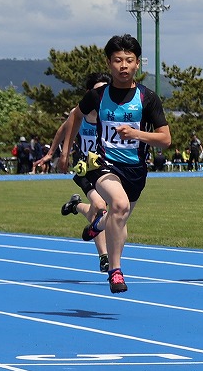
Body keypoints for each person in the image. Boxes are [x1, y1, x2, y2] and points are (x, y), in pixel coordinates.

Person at [58, 34, 170, 293]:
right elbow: (75, 116)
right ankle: (115, 271)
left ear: (137, 64)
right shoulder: (98, 96)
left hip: (136, 170)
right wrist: (65, 151)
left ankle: (96, 225)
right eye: (117, 60)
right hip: (103, 164)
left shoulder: (148, 99)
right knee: (117, 205)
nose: (123, 65)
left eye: (128, 60)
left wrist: (137, 134)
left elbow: (165, 139)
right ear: (109, 63)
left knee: (116, 217)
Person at [52, 71, 111, 272]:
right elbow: (63, 130)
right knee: (101, 206)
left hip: (104, 169)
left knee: (98, 211)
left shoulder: (110, 114)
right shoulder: (79, 113)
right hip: (83, 168)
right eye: (98, 90)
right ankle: (104, 257)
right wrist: (58, 153)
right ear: (89, 93)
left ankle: (76, 205)